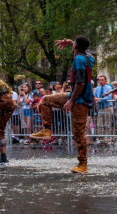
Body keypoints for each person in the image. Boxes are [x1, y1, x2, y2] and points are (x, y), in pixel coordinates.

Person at [30, 36, 95, 174]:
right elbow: (82, 50)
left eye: (73, 45)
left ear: (76, 47)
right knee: (46, 99)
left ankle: (83, 165)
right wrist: (72, 42)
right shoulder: (88, 57)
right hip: (76, 96)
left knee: (78, 133)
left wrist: (71, 101)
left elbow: (80, 83)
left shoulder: (78, 59)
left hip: (80, 99)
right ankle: (47, 131)